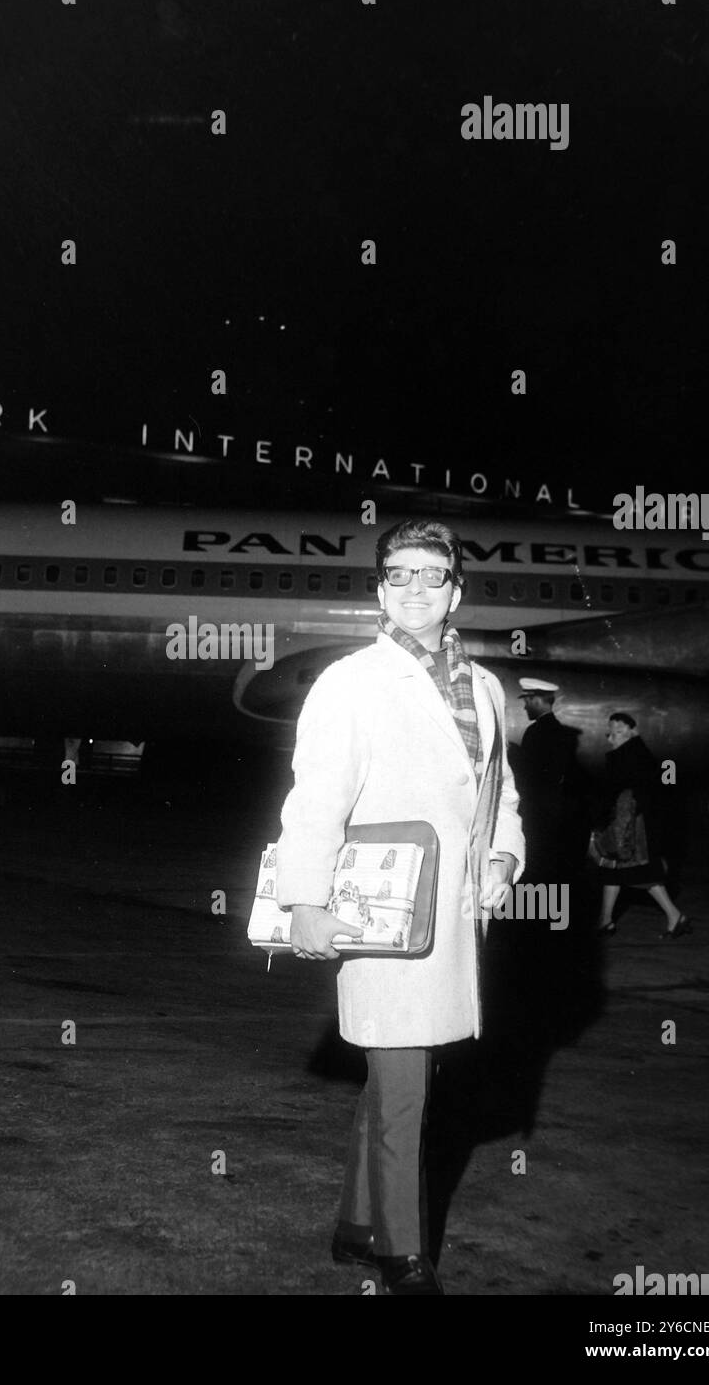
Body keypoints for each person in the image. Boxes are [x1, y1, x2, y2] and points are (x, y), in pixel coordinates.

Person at [274, 519, 525, 1295]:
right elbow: (315, 798)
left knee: (397, 1078)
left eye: (431, 576)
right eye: (400, 575)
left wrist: (503, 855)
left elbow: (498, 791)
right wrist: (304, 902)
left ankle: (356, 1224)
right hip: (377, 910)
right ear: (381, 588)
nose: (415, 589)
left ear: (456, 591)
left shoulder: (482, 686)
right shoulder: (349, 680)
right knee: (405, 1085)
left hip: (450, 918)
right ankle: (402, 1256)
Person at [592, 712, 690, 939]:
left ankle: (675, 916)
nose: (610, 739)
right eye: (610, 733)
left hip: (629, 829)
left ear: (631, 733)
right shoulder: (636, 755)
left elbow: (616, 795)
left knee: (638, 874)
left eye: (617, 733)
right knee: (614, 873)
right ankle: (606, 921)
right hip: (629, 825)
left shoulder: (627, 758)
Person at [515, 678, 586, 882]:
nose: (524, 706)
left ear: (537, 700)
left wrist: (514, 755)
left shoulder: (535, 732)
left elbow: (530, 774)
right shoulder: (561, 732)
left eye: (527, 701)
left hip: (536, 809)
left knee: (535, 861)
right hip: (555, 809)